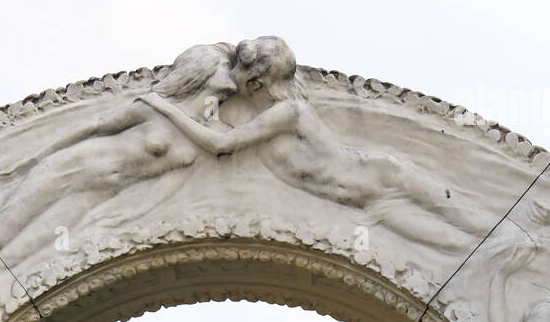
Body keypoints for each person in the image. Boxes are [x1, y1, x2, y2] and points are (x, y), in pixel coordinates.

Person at [138, 36, 488, 253]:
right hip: (370, 203)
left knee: (480, 228)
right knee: (461, 250)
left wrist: (163, 106)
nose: (232, 83)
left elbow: (220, 145)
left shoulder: (288, 112)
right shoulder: (264, 122)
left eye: (239, 76)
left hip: (386, 176)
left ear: (257, 82)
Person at [0, 42, 240, 258]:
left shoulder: (216, 132)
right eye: (226, 66)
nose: (234, 74)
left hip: (94, 197)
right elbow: (93, 128)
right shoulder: (151, 106)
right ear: (203, 69)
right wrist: (31, 160)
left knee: (23, 253)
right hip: (69, 168)